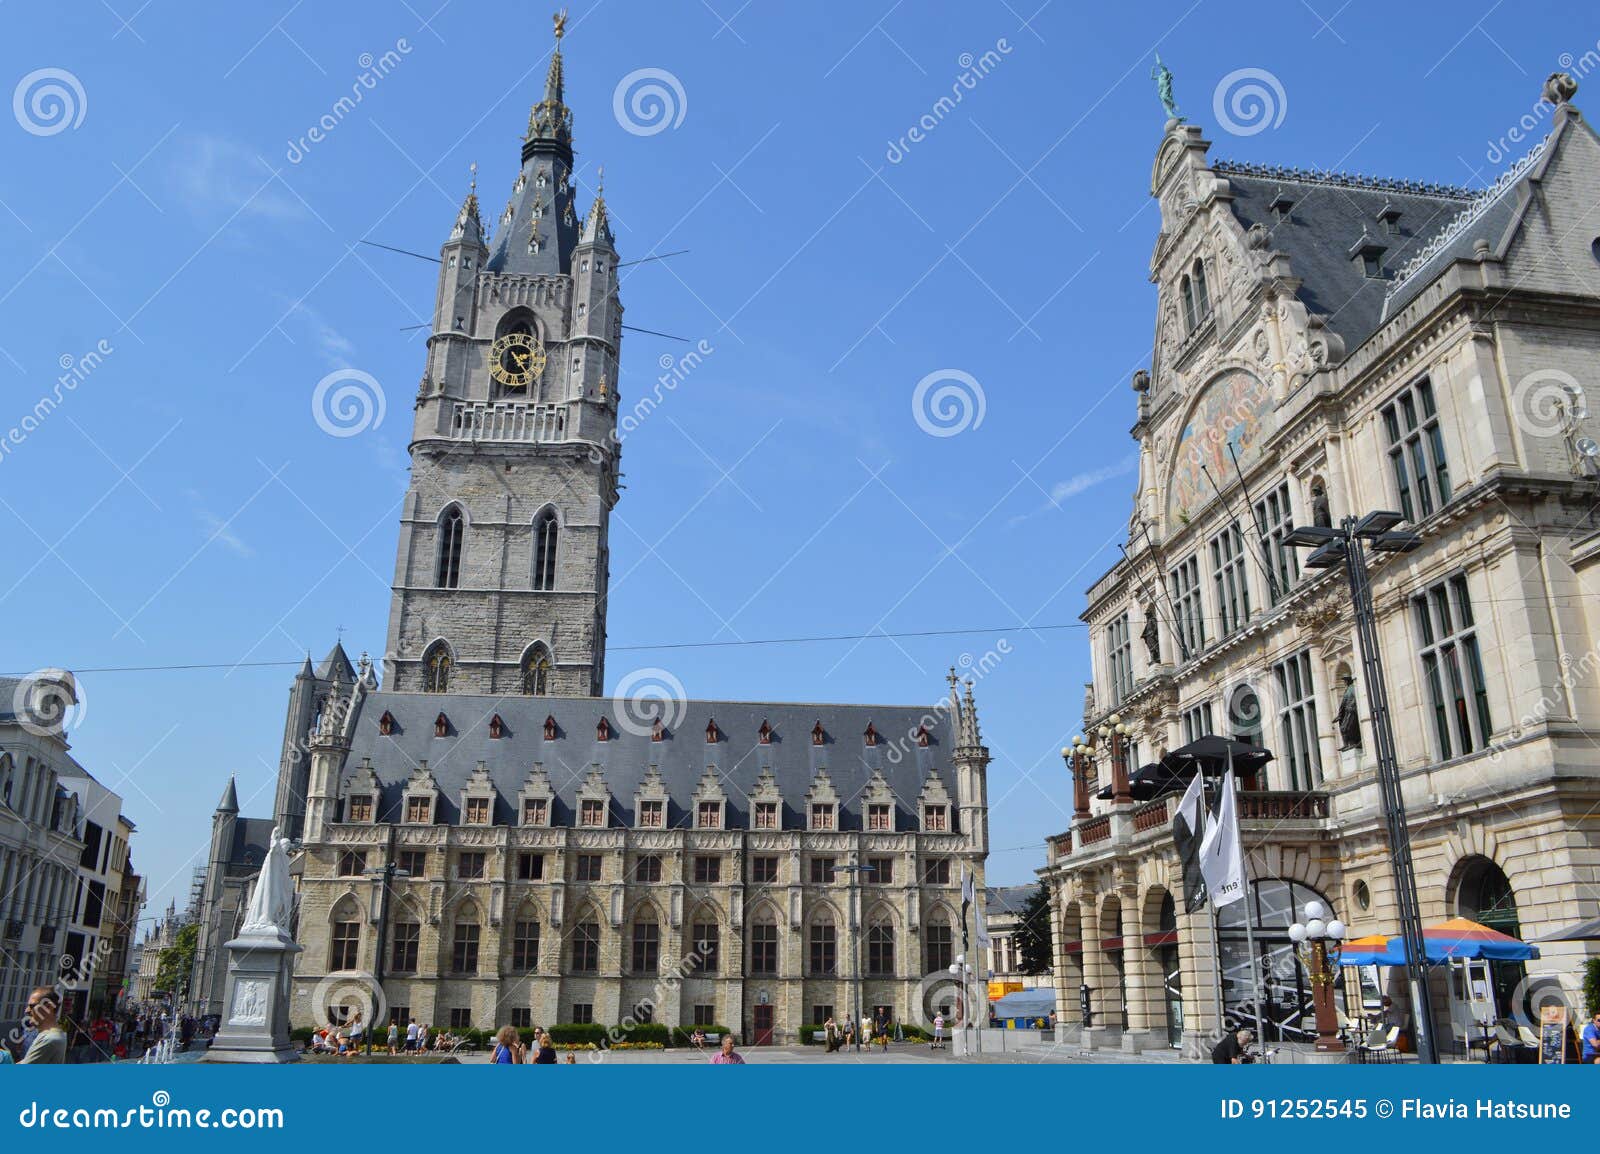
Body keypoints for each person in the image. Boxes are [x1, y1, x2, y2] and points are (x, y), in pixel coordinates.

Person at [19, 988, 68, 1064]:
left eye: (32, 1006)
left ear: (49, 1007)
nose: (27, 1010)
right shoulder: (48, 1036)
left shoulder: (50, 1039)